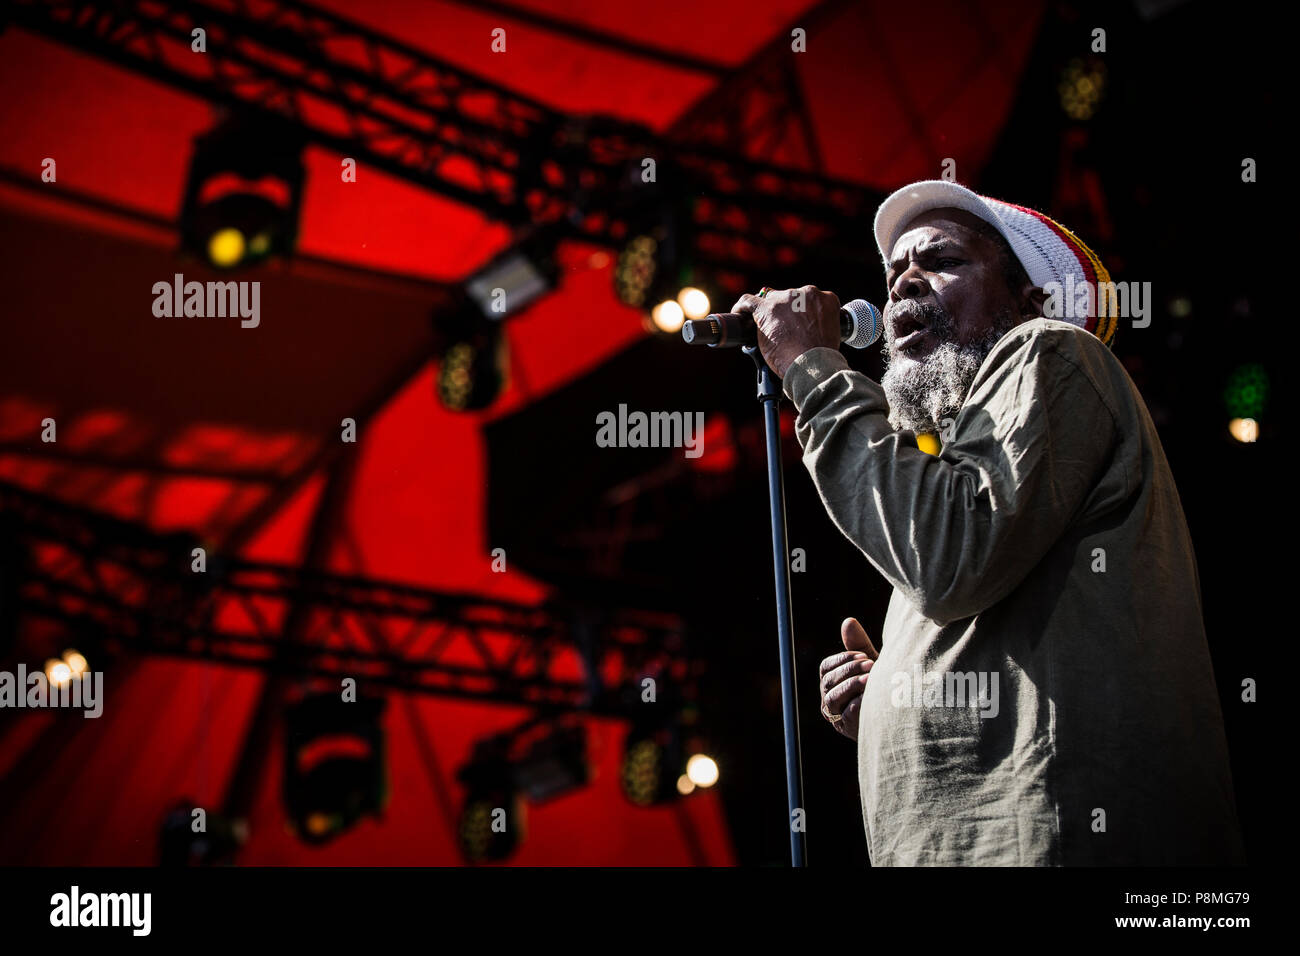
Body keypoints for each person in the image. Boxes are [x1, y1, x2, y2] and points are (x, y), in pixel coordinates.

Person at [731, 179, 1245, 866]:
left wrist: (814, 373)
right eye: (893, 275)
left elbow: (950, 559)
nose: (904, 283)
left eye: (942, 261)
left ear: (1030, 298)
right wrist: (893, 700)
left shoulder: (1052, 351)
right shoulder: (947, 468)